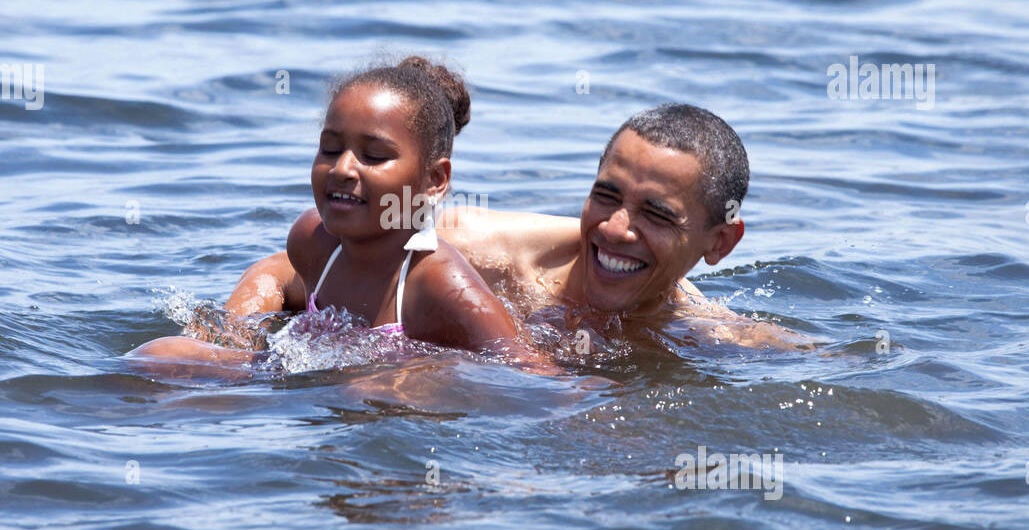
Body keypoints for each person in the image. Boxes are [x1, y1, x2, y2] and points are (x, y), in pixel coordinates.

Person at [225, 103, 801, 349]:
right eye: (606, 196)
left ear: (720, 242)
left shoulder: (708, 332)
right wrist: (234, 345)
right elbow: (282, 271)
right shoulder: (480, 248)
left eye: (657, 215)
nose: (617, 230)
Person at [128, 56, 524, 371]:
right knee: (161, 355)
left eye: (374, 156)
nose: (342, 169)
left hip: (398, 421)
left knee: (367, 388)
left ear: (434, 180)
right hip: (316, 412)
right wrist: (235, 333)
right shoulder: (314, 242)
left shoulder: (438, 283)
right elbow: (275, 279)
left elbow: (530, 375)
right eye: (330, 149)